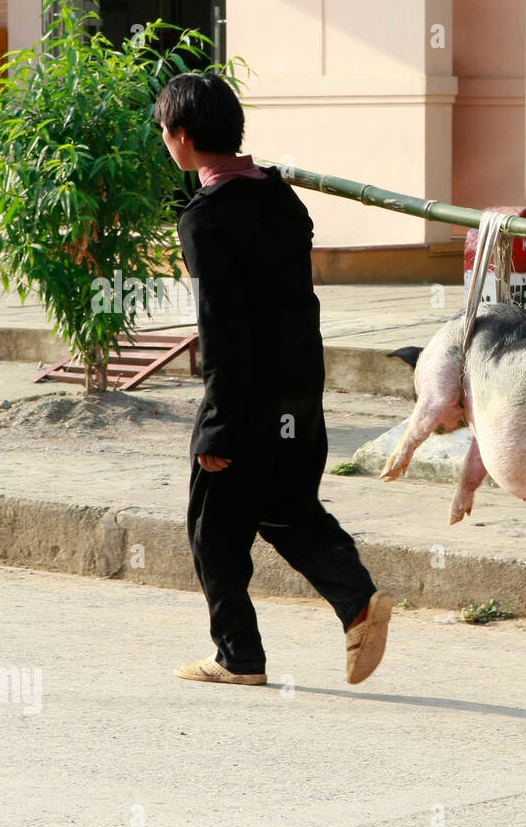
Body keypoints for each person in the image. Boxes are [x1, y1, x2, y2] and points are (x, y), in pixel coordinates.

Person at [156, 72, 392, 687]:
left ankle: (239, 656)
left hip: (248, 399)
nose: (165, 141)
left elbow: (224, 330)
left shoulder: (206, 219)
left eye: (165, 131)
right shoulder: (283, 200)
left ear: (181, 136)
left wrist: (218, 426)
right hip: (299, 388)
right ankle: (357, 604)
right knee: (285, 508)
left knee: (212, 527)